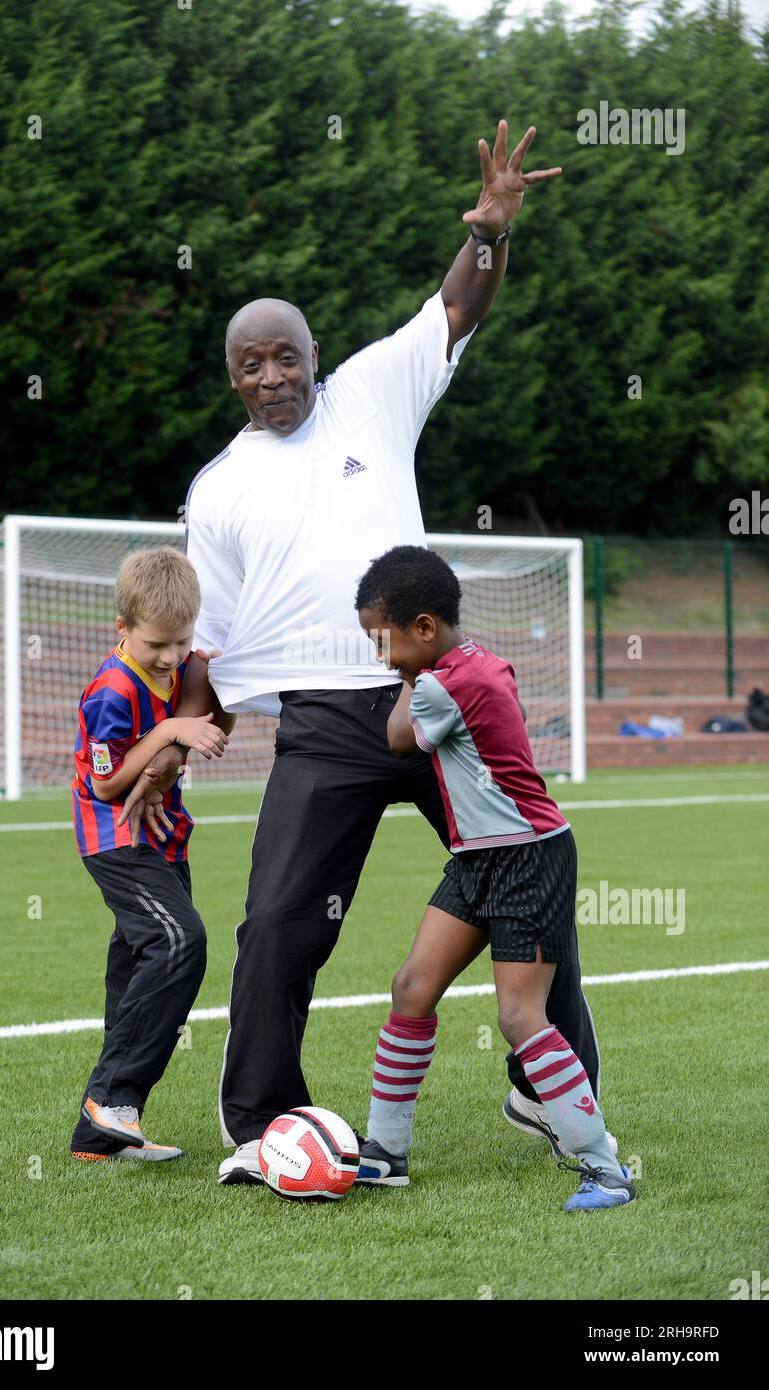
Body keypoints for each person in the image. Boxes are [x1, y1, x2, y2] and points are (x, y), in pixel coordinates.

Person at [121, 121, 590, 1185]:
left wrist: (488, 231)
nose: (272, 374)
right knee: (278, 923)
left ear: (314, 357)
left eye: (287, 355)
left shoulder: (374, 391)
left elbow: (459, 304)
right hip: (325, 729)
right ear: (232, 377)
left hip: (436, 705)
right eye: (252, 363)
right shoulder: (217, 489)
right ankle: (265, 1123)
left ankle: (551, 1092)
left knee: (526, 889)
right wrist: (179, 736)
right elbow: (219, 644)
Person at [353, 545, 635, 1210]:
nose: (383, 657)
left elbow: (395, 739)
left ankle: (604, 1167)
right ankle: (385, 1152)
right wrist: (410, 667)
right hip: (479, 856)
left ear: (425, 628)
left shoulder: (446, 683)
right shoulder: (463, 664)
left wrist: (407, 678)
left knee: (518, 1015)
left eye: (385, 641)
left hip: (528, 856)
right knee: (412, 986)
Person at [68, 547, 229, 1161]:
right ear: (123, 629)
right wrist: (167, 731)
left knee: (133, 965)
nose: (169, 657)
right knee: (178, 942)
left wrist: (205, 686)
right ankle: (113, 1098)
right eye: (157, 644)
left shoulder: (179, 667)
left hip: (164, 838)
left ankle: (101, 1132)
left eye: (180, 643)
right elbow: (106, 786)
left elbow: (210, 724)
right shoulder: (111, 692)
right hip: (118, 841)